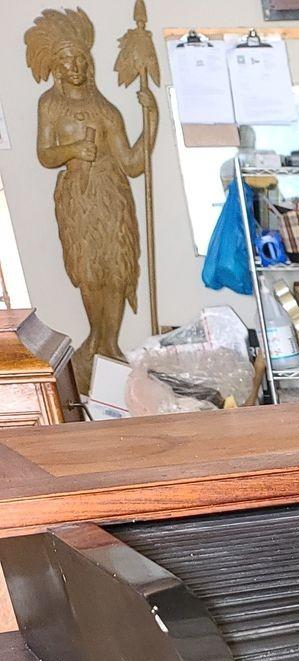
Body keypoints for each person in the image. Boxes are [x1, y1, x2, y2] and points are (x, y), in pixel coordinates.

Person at [26, 7, 157, 386]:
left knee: (115, 268)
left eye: (80, 59)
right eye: (67, 61)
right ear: (55, 66)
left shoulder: (105, 110)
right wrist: (72, 150)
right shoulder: (49, 105)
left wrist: (151, 123)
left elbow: (133, 164)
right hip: (78, 199)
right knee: (89, 270)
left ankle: (109, 345)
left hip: (111, 196)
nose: (76, 66)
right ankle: (96, 342)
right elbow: (44, 154)